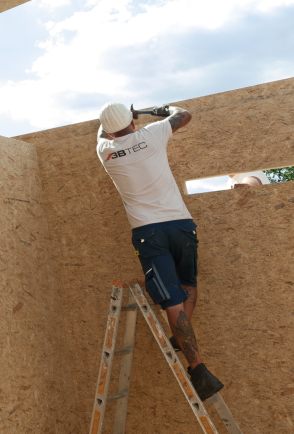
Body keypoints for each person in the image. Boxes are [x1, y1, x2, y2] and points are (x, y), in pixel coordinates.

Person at [95, 101, 225, 401]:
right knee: (188, 286)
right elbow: (183, 114)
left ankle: (199, 369)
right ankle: (183, 339)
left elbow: (102, 133)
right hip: (181, 224)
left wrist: (117, 121)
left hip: (148, 232)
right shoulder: (152, 134)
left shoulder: (106, 152)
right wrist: (151, 110)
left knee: (171, 301)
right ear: (132, 121)